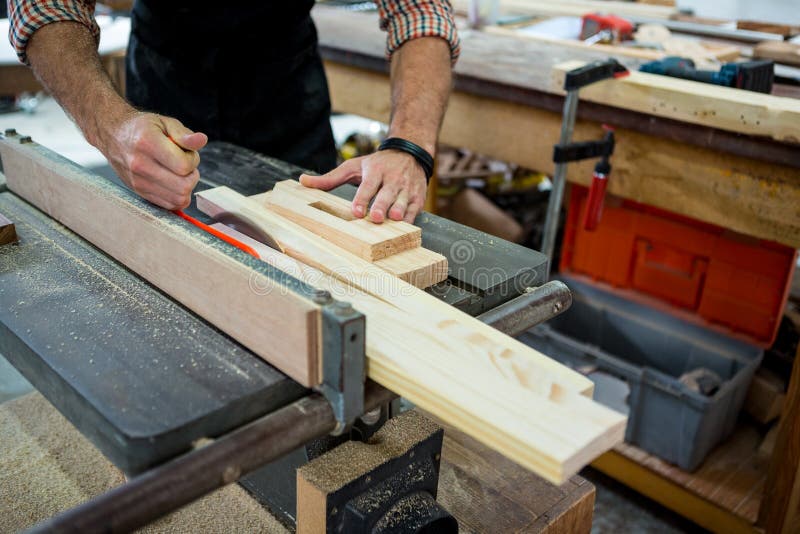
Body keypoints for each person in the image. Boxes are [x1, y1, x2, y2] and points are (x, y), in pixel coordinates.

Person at [7, 1, 459, 223]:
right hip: (164, 98)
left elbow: (418, 10)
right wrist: (112, 129)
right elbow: (43, 6)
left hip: (286, 96)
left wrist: (409, 145)